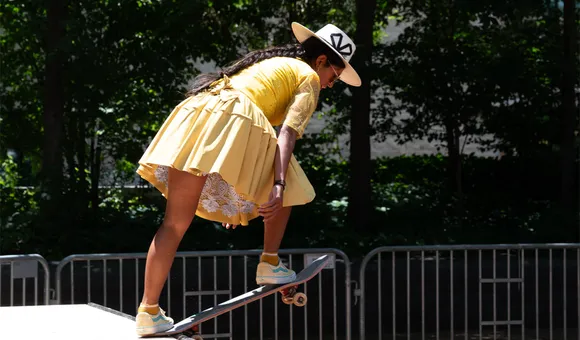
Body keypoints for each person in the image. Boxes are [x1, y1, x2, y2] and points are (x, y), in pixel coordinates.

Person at [134, 22, 361, 336]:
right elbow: (285, 136)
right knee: (290, 183)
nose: (332, 84)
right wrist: (278, 186)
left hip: (200, 111)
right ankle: (269, 262)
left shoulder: (271, 65)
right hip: (232, 117)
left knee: (173, 223)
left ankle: (148, 310)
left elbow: (238, 139)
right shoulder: (307, 77)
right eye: (334, 76)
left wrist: (235, 195)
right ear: (322, 61)